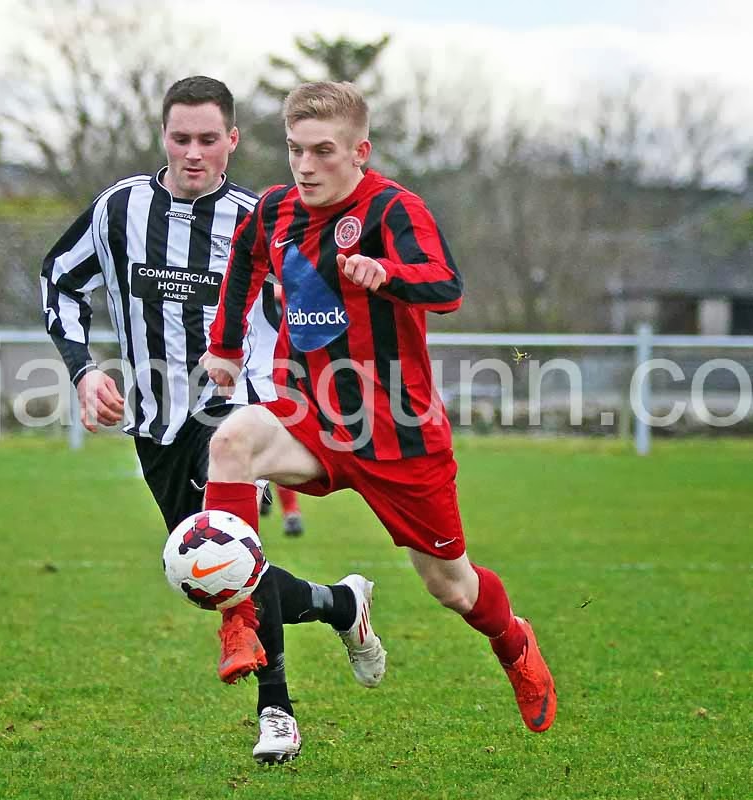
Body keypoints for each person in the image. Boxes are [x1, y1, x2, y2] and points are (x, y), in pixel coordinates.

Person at [201, 81, 557, 753]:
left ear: (360, 151)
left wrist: (383, 272)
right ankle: (240, 617)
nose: (304, 166)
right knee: (232, 441)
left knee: (451, 585)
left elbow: (446, 284)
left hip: (398, 432)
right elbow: (243, 267)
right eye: (294, 150)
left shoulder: (393, 208)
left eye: (322, 151)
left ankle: (515, 642)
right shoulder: (274, 210)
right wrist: (223, 346)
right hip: (308, 411)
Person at [40, 76, 381, 764]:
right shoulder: (119, 211)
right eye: (179, 138)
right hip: (155, 422)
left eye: (207, 139)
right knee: (212, 576)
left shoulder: (265, 219)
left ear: (232, 141)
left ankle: (277, 710)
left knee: (228, 560)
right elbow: (58, 280)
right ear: (164, 137)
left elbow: (315, 312)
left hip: (234, 416)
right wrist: (84, 369)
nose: (193, 153)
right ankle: (341, 605)